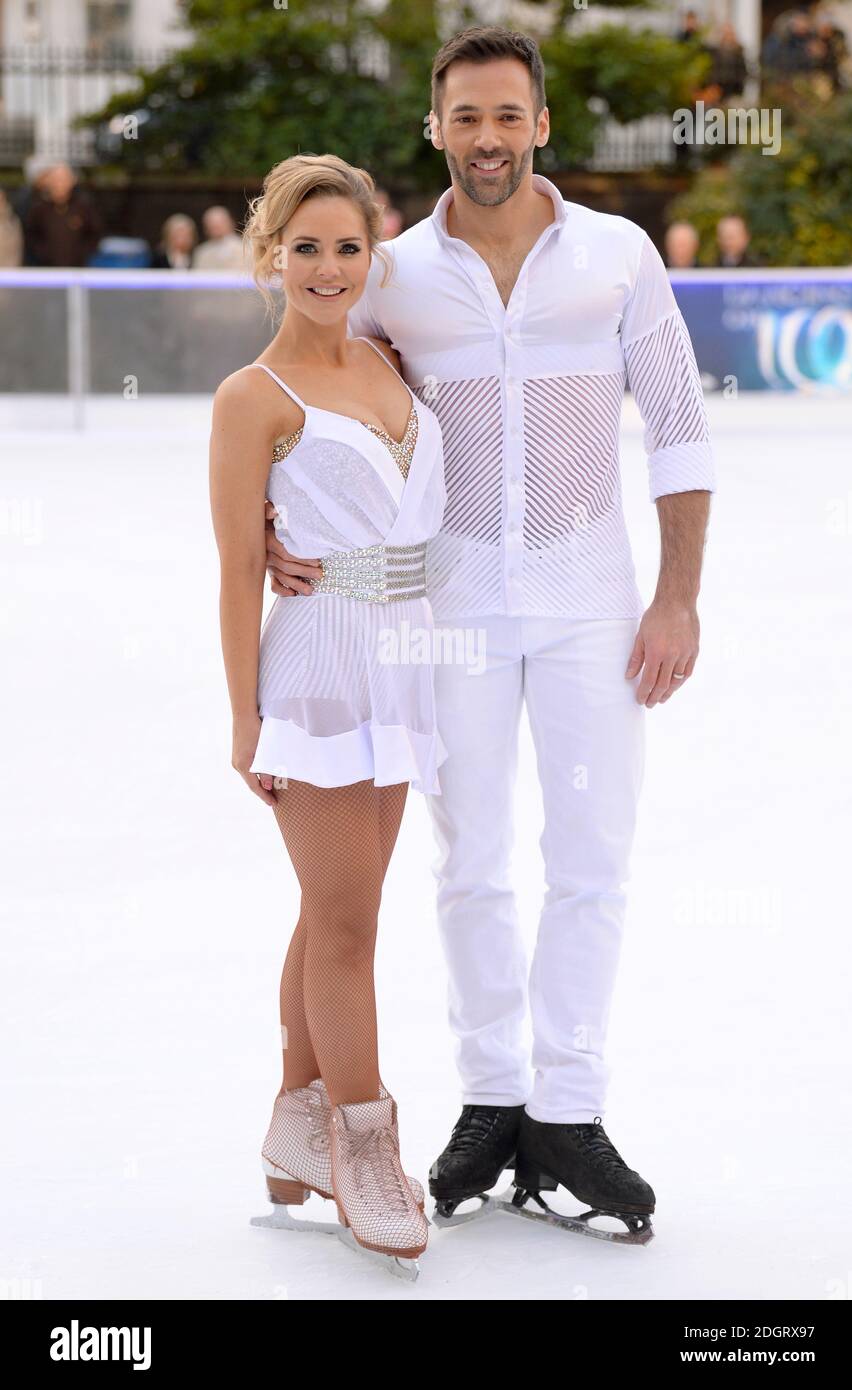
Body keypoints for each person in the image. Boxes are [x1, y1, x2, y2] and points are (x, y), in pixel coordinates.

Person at [264, 26, 716, 1238]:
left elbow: (676, 423)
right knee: (466, 863)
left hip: (591, 605)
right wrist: (265, 519)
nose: (487, 139)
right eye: (465, 118)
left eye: (507, 116)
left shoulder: (617, 257)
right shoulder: (396, 271)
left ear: (541, 125)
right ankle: (491, 1097)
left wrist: (678, 595)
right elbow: (310, 386)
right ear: (436, 129)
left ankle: (567, 1108)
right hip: (443, 607)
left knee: (591, 857)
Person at [209, 153, 447, 1267]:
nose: (327, 266)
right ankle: (363, 1143)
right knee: (348, 926)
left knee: (332, 908)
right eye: (304, 246)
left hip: (402, 660)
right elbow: (233, 570)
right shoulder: (253, 398)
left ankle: (294, 1117)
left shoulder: (391, 358)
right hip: (314, 671)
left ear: (372, 254)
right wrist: (246, 721)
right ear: (272, 255)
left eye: (347, 246)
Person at [23, 162, 102, 267]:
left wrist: (82, 254)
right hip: (47, 270)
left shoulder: (83, 207)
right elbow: (31, 235)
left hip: (77, 270)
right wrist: (43, 254)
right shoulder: (39, 209)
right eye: (55, 180)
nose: (59, 184)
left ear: (72, 181)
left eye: (63, 180)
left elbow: (95, 233)